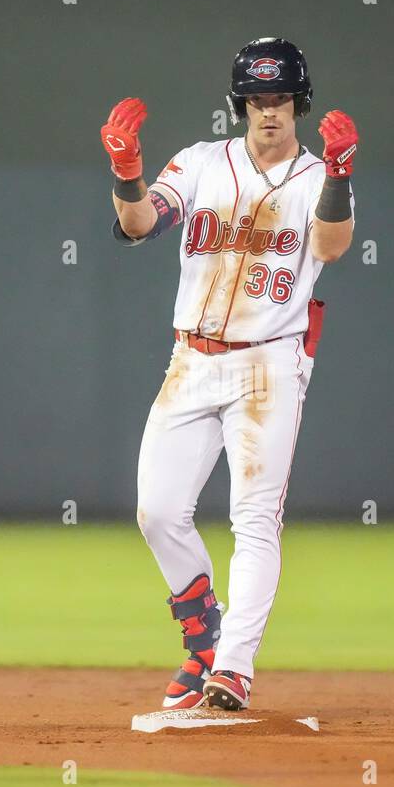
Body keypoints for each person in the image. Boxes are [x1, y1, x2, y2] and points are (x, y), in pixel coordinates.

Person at [101, 37, 357, 711]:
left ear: (298, 103)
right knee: (156, 510)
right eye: (255, 99)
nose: (267, 111)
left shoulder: (312, 180)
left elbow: (332, 247)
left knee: (255, 521)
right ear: (239, 104)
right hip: (191, 359)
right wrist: (127, 171)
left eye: (278, 99)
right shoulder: (200, 163)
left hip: (269, 363)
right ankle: (204, 640)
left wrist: (338, 175)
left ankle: (232, 670)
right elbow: (137, 225)